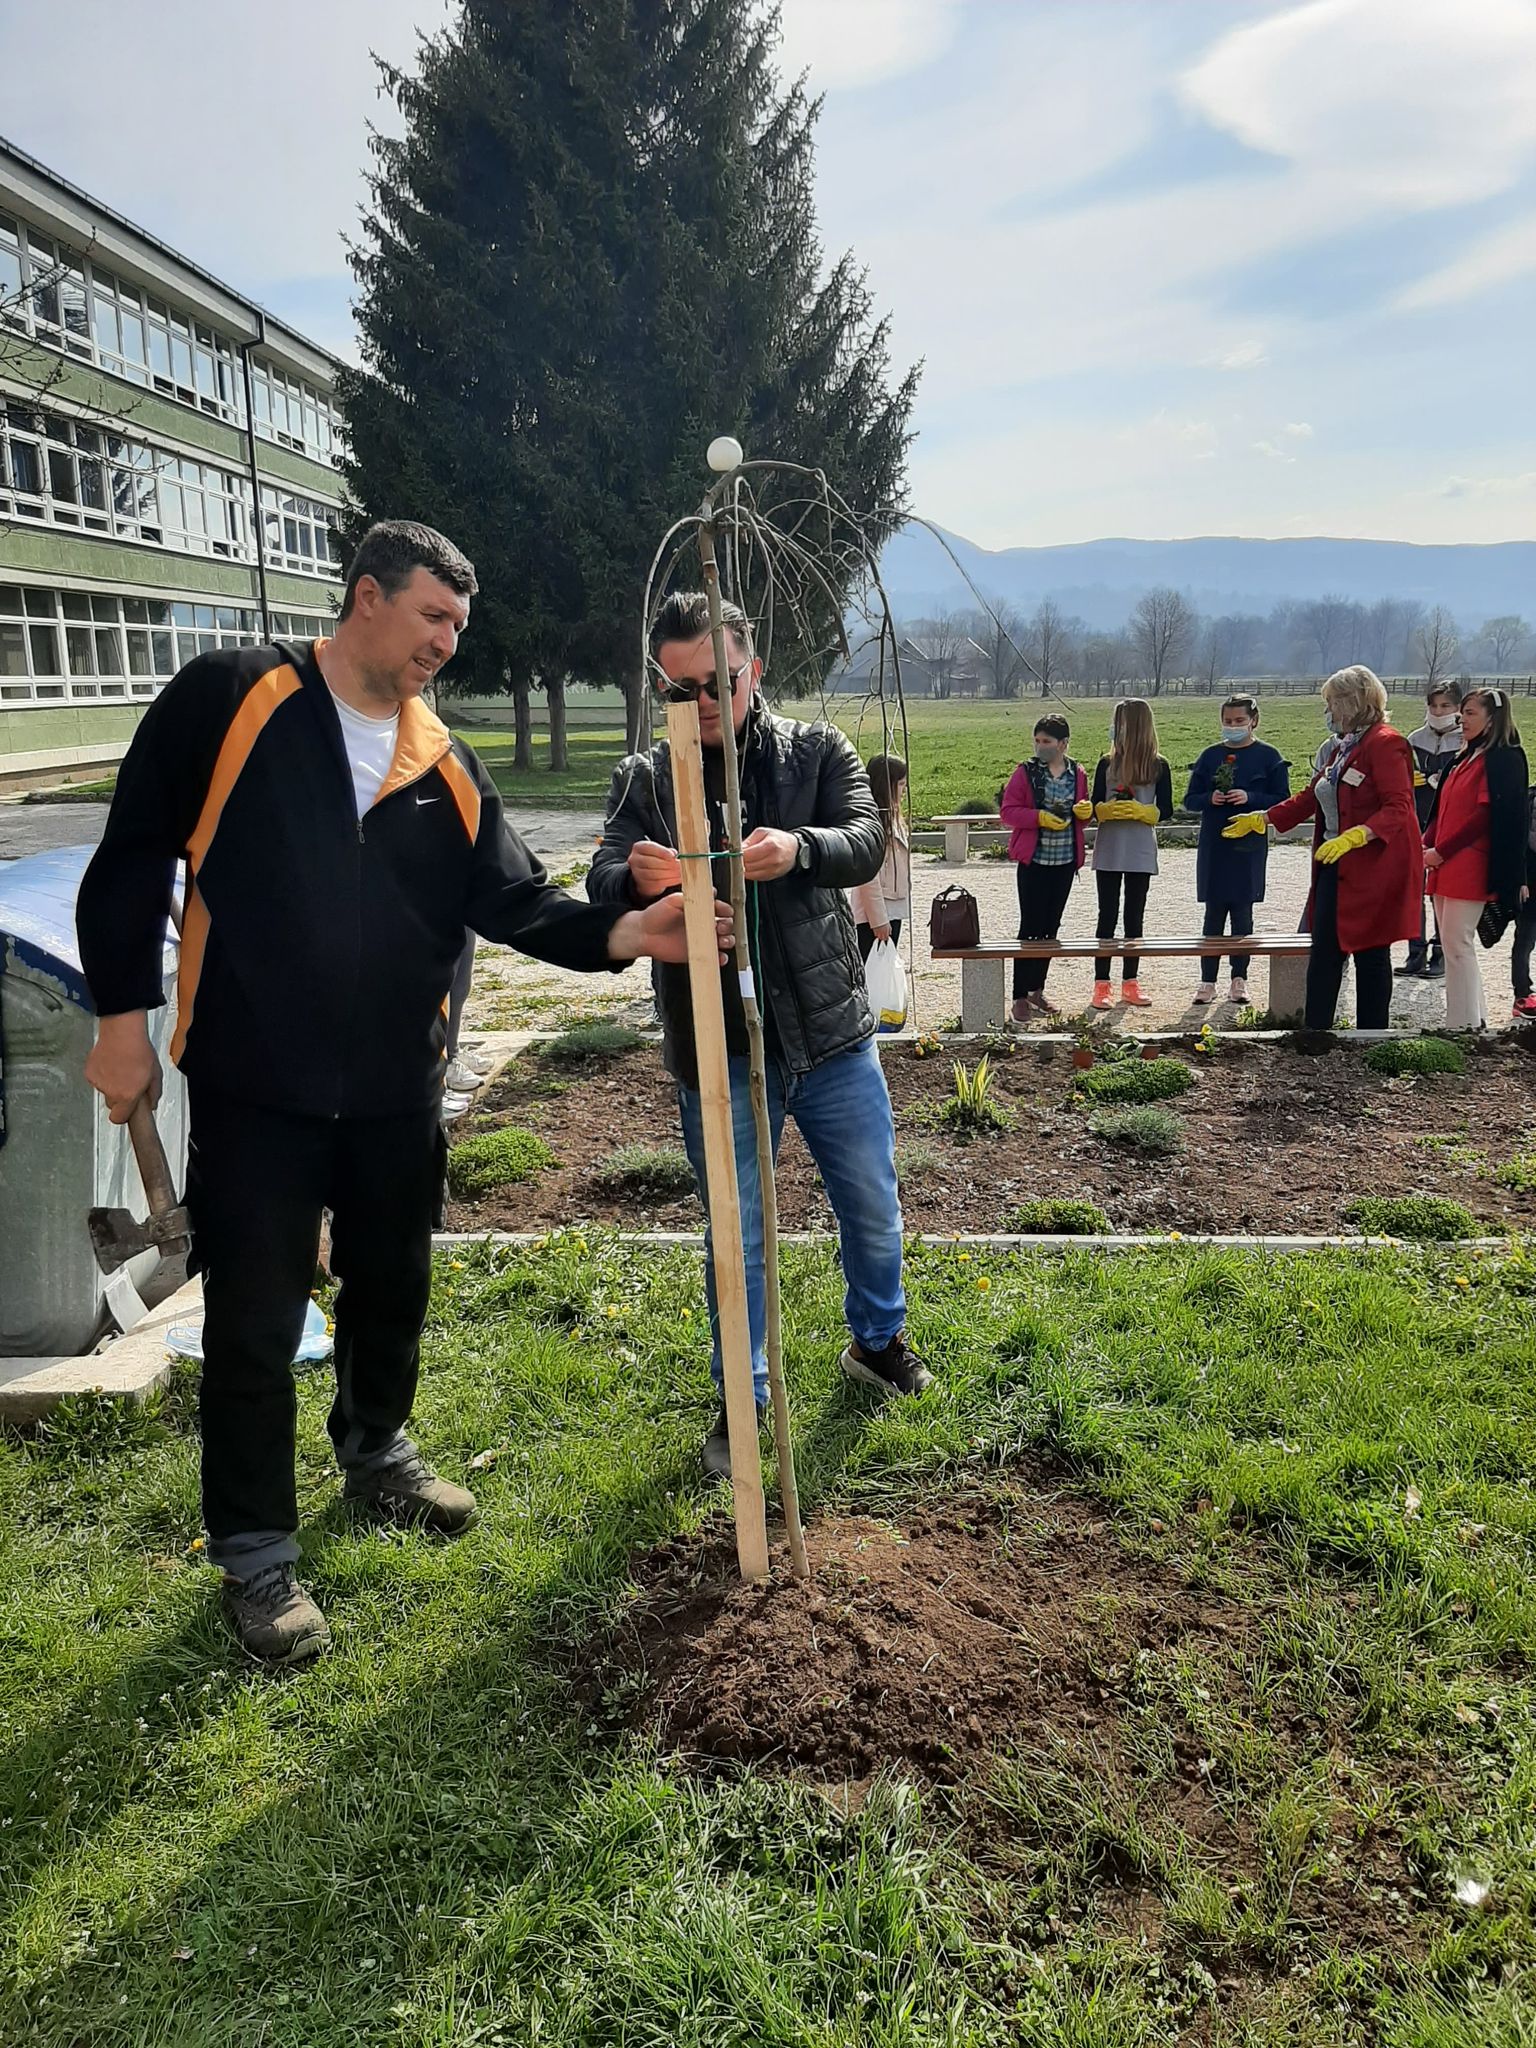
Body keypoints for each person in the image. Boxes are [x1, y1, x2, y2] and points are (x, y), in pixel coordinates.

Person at [76, 521, 729, 1664]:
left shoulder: (443, 757)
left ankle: (375, 1447)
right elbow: (132, 855)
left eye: (458, 626)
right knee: (257, 1318)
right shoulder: (234, 697)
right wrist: (121, 1022)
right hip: (255, 1084)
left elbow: (517, 899)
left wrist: (632, 930)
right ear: (365, 597)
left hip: (395, 1088)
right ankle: (256, 1551)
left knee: (392, 1283)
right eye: (433, 616)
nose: (447, 642)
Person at [589, 592, 931, 1484]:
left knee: (870, 1201)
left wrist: (801, 850)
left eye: (718, 682)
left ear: (756, 669)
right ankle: (743, 1395)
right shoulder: (648, 776)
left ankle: (878, 1340)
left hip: (827, 1035)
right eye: (679, 687)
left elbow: (864, 840)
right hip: (719, 1047)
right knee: (733, 1233)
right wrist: (638, 879)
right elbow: (599, 876)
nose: (701, 702)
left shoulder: (816, 751)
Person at [1224, 664, 1420, 1031]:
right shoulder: (1344, 747)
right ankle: (1316, 1032)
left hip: (1370, 869)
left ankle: (1370, 1035)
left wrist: (1358, 834)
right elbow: (1310, 796)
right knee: (1326, 951)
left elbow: (1398, 807)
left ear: (1351, 703)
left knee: (1370, 953)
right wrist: (1264, 818)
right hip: (1334, 864)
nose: (1327, 712)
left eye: (1331, 704)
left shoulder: (1386, 743)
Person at [1424, 686, 1529, 1033]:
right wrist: (1425, 845)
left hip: (1470, 863)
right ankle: (1470, 1018)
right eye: (1462, 713)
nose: (1461, 720)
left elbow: (1485, 816)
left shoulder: (1503, 759)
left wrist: (1441, 851)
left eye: (1470, 713)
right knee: (1453, 943)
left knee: (1457, 945)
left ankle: (1464, 1025)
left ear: (1492, 718)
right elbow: (1443, 810)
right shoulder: (1464, 757)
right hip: (1446, 862)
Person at [1184, 694, 1291, 1006]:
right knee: (1213, 914)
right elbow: (1189, 799)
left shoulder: (1269, 757)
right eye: (1228, 721)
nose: (1233, 726)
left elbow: (1283, 800)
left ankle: (1239, 979)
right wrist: (1208, 799)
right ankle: (1207, 982)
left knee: (1243, 914)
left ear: (1253, 721)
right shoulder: (1209, 756)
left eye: (1239, 721)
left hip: (1248, 846)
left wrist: (1252, 797)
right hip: (1215, 846)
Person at [999, 714, 1091, 1019]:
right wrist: (1037, 817)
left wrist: (1084, 812)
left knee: (1051, 929)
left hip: (1064, 862)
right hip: (1034, 861)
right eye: (1037, 741)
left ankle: (1037, 990)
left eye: (1047, 742)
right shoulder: (1025, 773)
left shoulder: (1077, 773)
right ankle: (1019, 996)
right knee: (1030, 927)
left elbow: (1082, 813)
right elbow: (1009, 812)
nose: (1041, 747)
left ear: (1063, 743)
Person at [1089, 698, 1173, 1009]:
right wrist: (1103, 809)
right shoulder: (1105, 764)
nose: (1115, 730)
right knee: (1106, 916)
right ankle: (1101, 985)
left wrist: (1145, 811)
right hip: (1110, 848)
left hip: (1139, 850)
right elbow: (1096, 802)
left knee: (1133, 916)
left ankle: (1130, 982)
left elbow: (1167, 809)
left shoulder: (1158, 765)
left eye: (1120, 723)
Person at [1398, 684, 1462, 977]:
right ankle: (1415, 951)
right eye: (1434, 706)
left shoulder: (1464, 740)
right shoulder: (1414, 740)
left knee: (1439, 892)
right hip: (1416, 821)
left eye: (1445, 706)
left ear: (1457, 708)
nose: (1438, 712)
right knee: (1413, 890)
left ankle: (1440, 953)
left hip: (1447, 826)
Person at [849, 753, 911, 962]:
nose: (905, 790)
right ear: (889, 786)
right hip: (875, 914)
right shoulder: (874, 821)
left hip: (893, 907)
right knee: (873, 972)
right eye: (901, 784)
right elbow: (868, 875)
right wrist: (878, 919)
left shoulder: (893, 816)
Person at [1512, 784, 1536, 1019]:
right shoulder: (1530, 800)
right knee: (1525, 940)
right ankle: (1522, 994)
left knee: (1524, 941)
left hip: (1528, 880)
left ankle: (1522, 993)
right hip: (1530, 884)